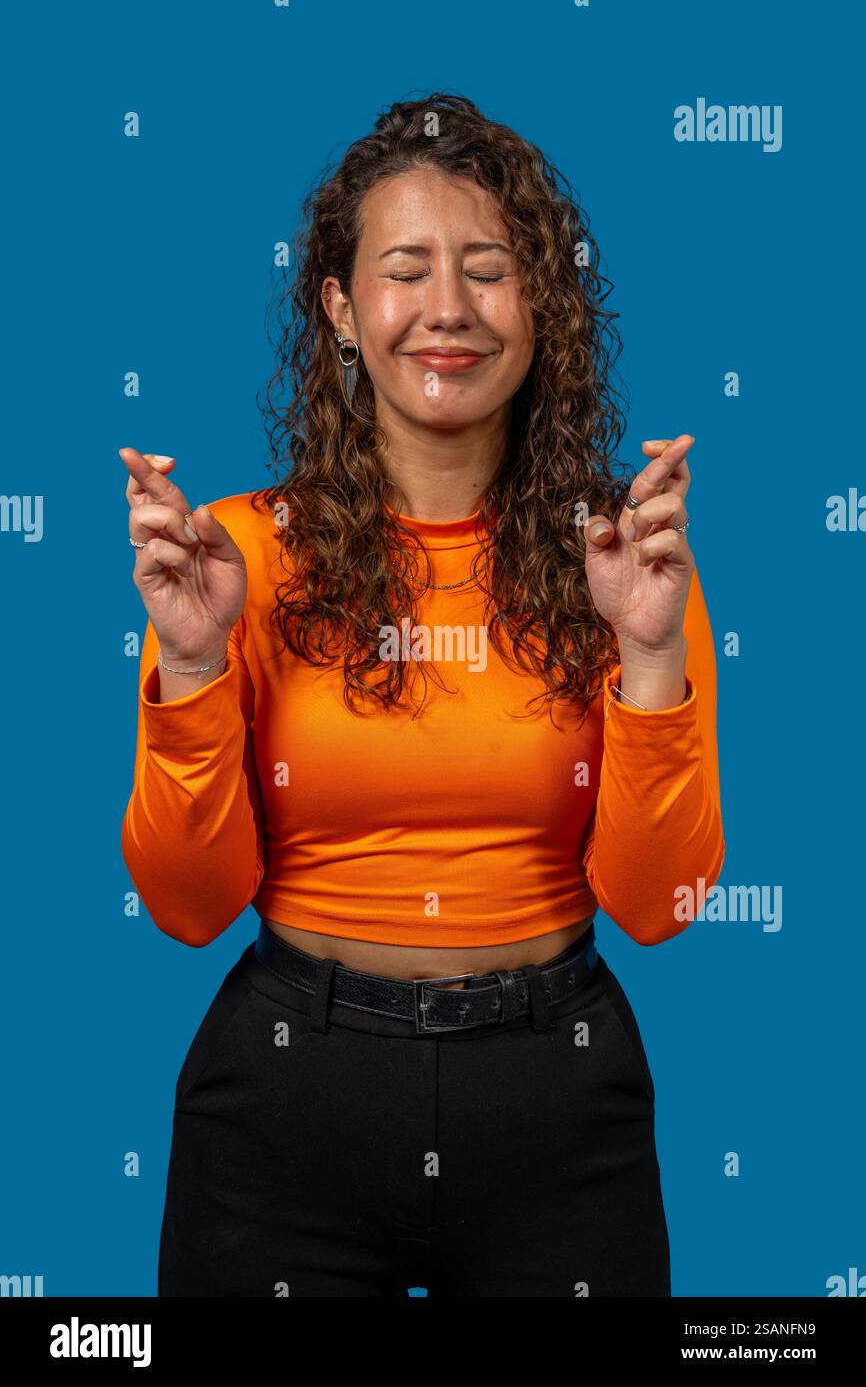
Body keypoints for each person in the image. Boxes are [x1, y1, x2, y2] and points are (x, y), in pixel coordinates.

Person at [120, 92, 724, 1298]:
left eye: (488, 271)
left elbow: (659, 906)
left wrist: (647, 657)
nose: (447, 309)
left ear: (538, 306)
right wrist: (191, 668)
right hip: (285, 1103)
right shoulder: (239, 556)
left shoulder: (623, 559)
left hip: (556, 1099)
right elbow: (190, 909)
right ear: (342, 308)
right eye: (404, 270)